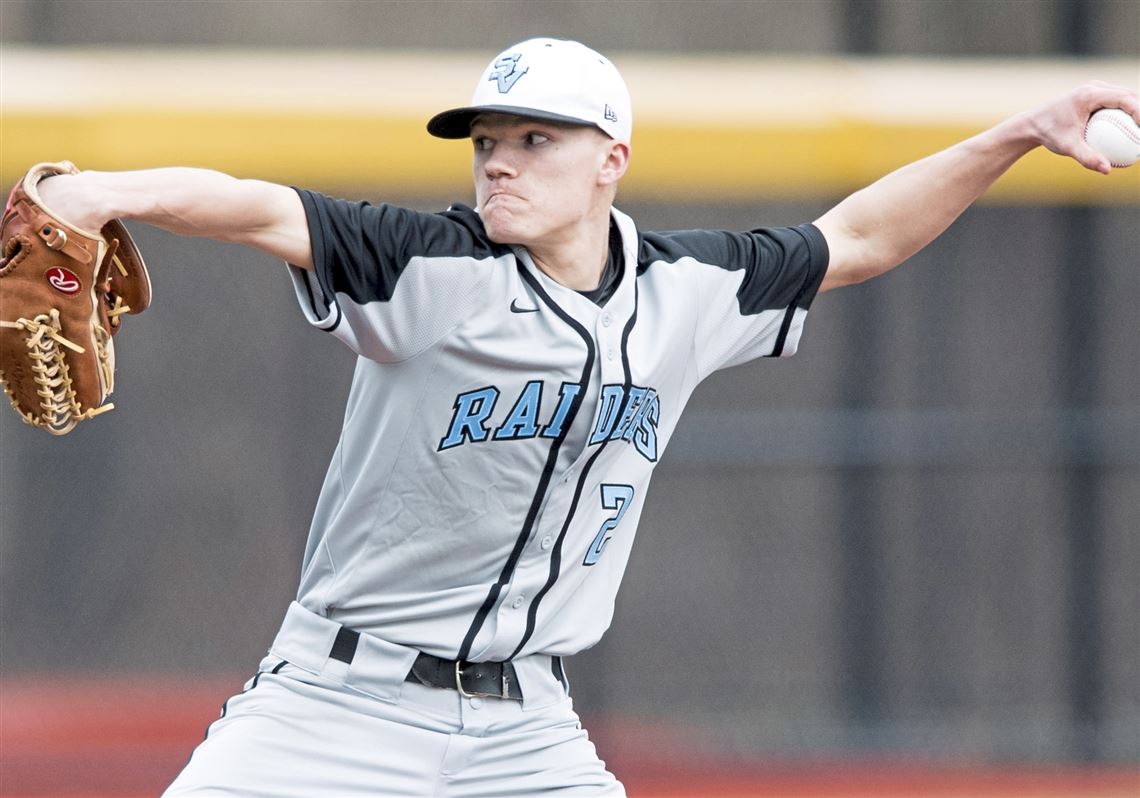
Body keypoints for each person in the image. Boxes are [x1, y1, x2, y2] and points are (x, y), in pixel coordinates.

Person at [35, 37, 1137, 798]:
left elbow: (857, 241)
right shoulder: (432, 265)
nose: (499, 165)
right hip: (339, 705)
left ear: (612, 160)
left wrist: (1016, 134)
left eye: (534, 142)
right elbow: (263, 206)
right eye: (487, 144)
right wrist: (104, 193)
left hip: (528, 730)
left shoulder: (687, 293)